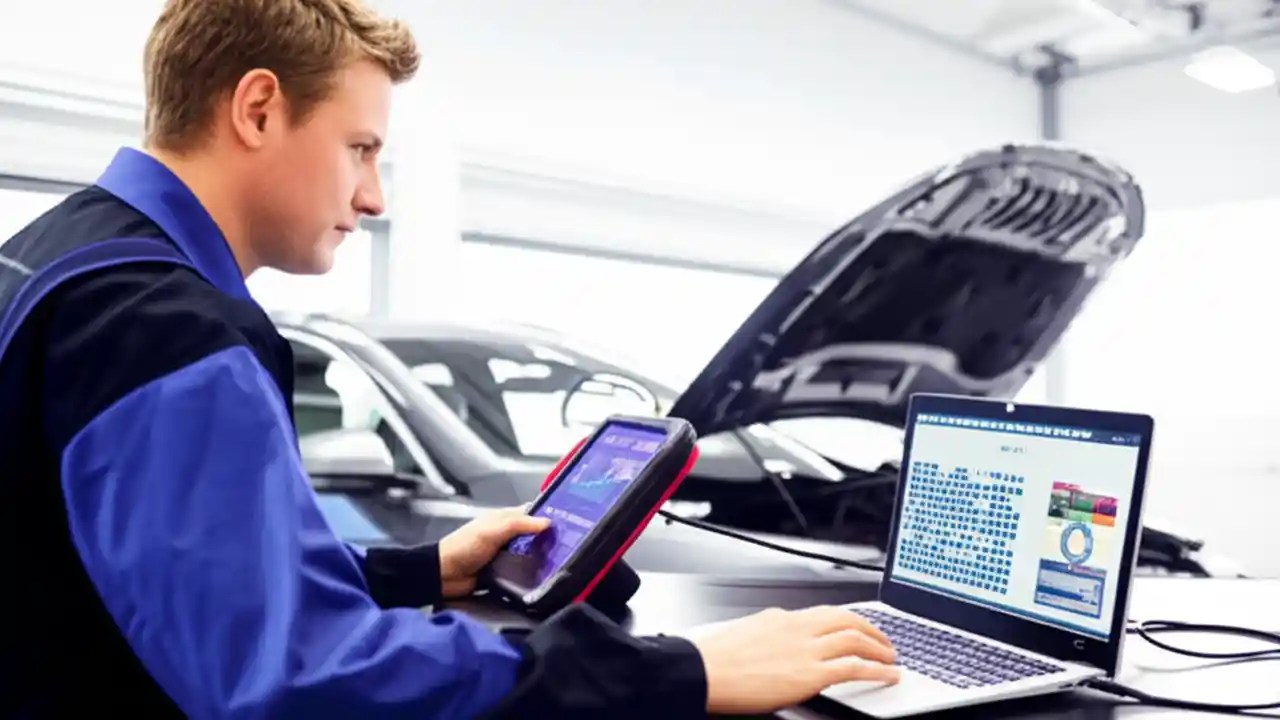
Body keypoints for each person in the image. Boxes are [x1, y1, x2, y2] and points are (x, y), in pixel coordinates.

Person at [0, 1, 900, 717]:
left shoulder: (59, 258)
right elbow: (294, 678)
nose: (374, 195)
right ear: (258, 108)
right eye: (360, 148)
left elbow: (143, 577)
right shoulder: (162, 327)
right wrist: (682, 671)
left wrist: (421, 571)